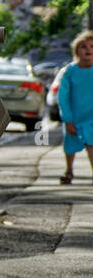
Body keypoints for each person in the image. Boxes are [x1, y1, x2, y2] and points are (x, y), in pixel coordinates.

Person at [57, 30, 93, 184]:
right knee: (70, 145)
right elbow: (63, 96)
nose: (88, 50)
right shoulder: (70, 71)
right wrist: (67, 119)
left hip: (91, 116)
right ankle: (69, 170)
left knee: (91, 144)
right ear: (77, 51)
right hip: (74, 116)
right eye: (84, 47)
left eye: (92, 46)